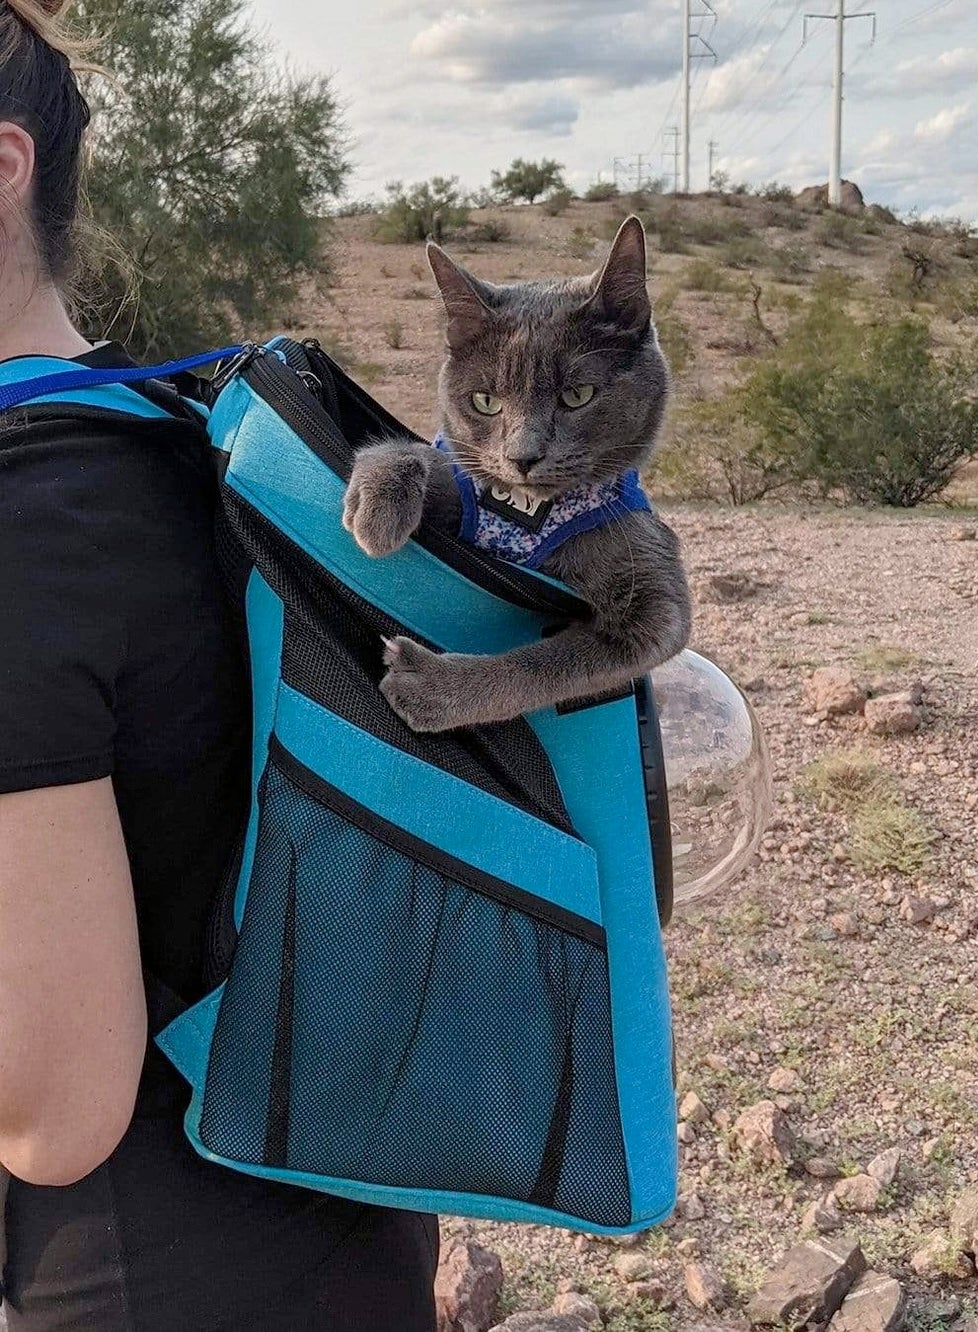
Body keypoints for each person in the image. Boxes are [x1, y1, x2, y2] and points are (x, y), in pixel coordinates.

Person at [0, 3, 439, 1327]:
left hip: (139, 1277)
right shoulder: (178, 428)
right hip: (337, 1218)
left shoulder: (23, 528)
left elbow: (51, 1107)